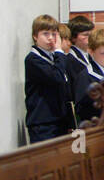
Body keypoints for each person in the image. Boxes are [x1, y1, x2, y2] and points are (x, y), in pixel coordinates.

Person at [24, 14, 75, 143]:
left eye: (54, 34)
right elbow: (56, 77)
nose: (51, 38)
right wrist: (59, 52)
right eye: (45, 34)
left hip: (59, 121)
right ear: (35, 36)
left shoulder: (56, 58)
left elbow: (65, 88)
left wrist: (69, 121)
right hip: (43, 124)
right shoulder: (33, 60)